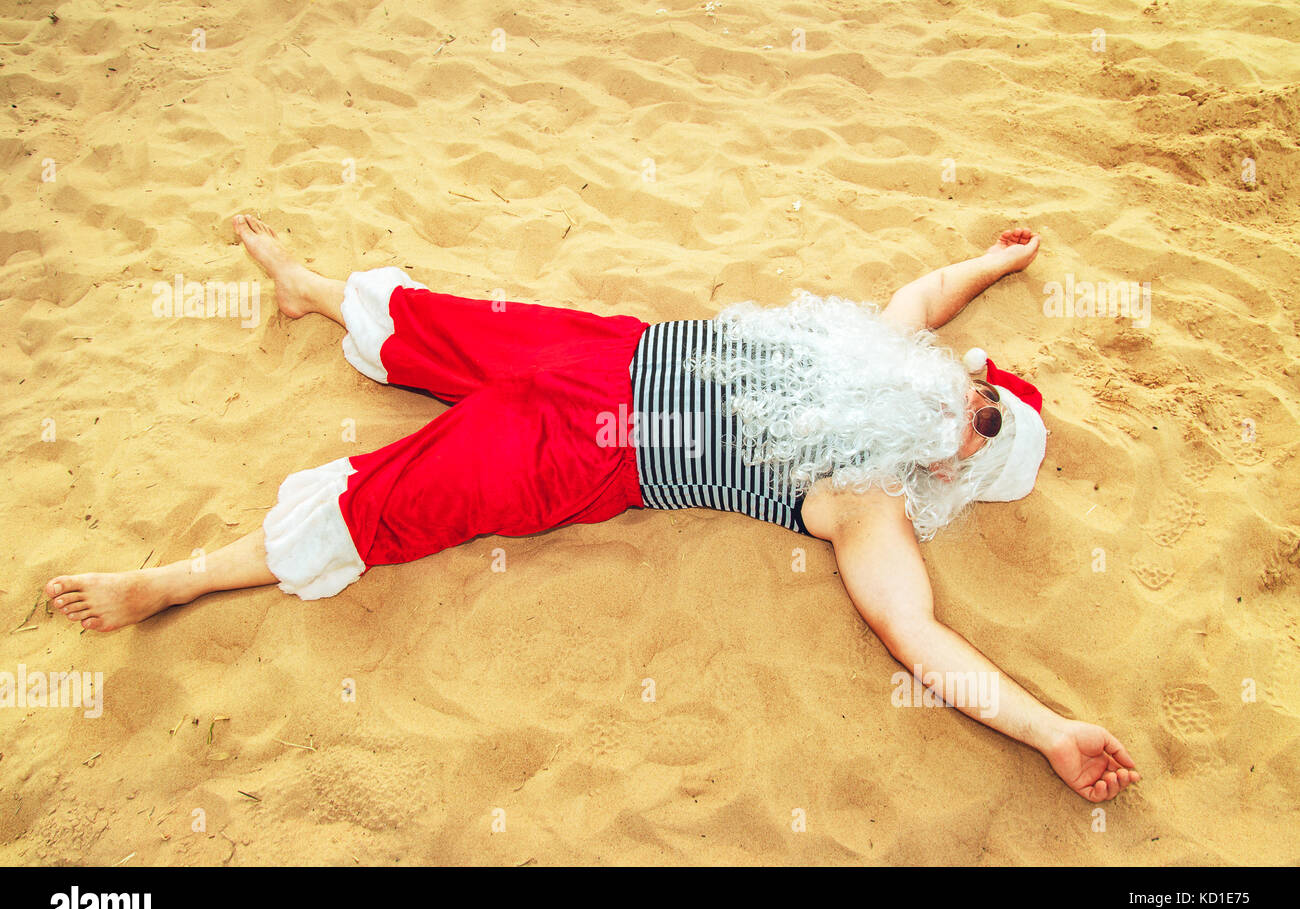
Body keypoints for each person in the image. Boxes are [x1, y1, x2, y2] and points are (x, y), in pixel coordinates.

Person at [43, 215, 1140, 802]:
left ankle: (175, 579)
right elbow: (933, 294)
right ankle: (317, 292)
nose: (971, 407)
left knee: (397, 500)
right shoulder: (887, 350)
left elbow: (921, 636)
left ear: (950, 472)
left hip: (575, 453)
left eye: (980, 429)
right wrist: (1001, 258)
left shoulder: (866, 504)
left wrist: (1048, 729)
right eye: (986, 395)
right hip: (606, 347)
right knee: (445, 324)